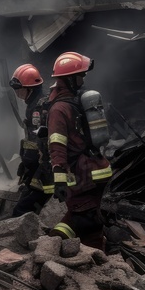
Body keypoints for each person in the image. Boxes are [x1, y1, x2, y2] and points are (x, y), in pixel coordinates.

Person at [47, 52, 112, 250]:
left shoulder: (61, 107)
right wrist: (60, 178)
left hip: (83, 174)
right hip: (97, 169)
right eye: (80, 76)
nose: (83, 80)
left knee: (86, 219)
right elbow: (60, 144)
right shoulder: (71, 105)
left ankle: (95, 257)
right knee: (82, 213)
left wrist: (59, 179)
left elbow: (56, 144)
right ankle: (55, 242)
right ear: (69, 78)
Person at [9, 64, 54, 216]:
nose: (17, 93)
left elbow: (39, 142)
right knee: (26, 199)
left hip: (45, 167)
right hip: (39, 165)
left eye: (19, 89)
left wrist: (28, 162)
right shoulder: (34, 103)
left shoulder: (38, 108)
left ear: (30, 88)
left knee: (23, 209)